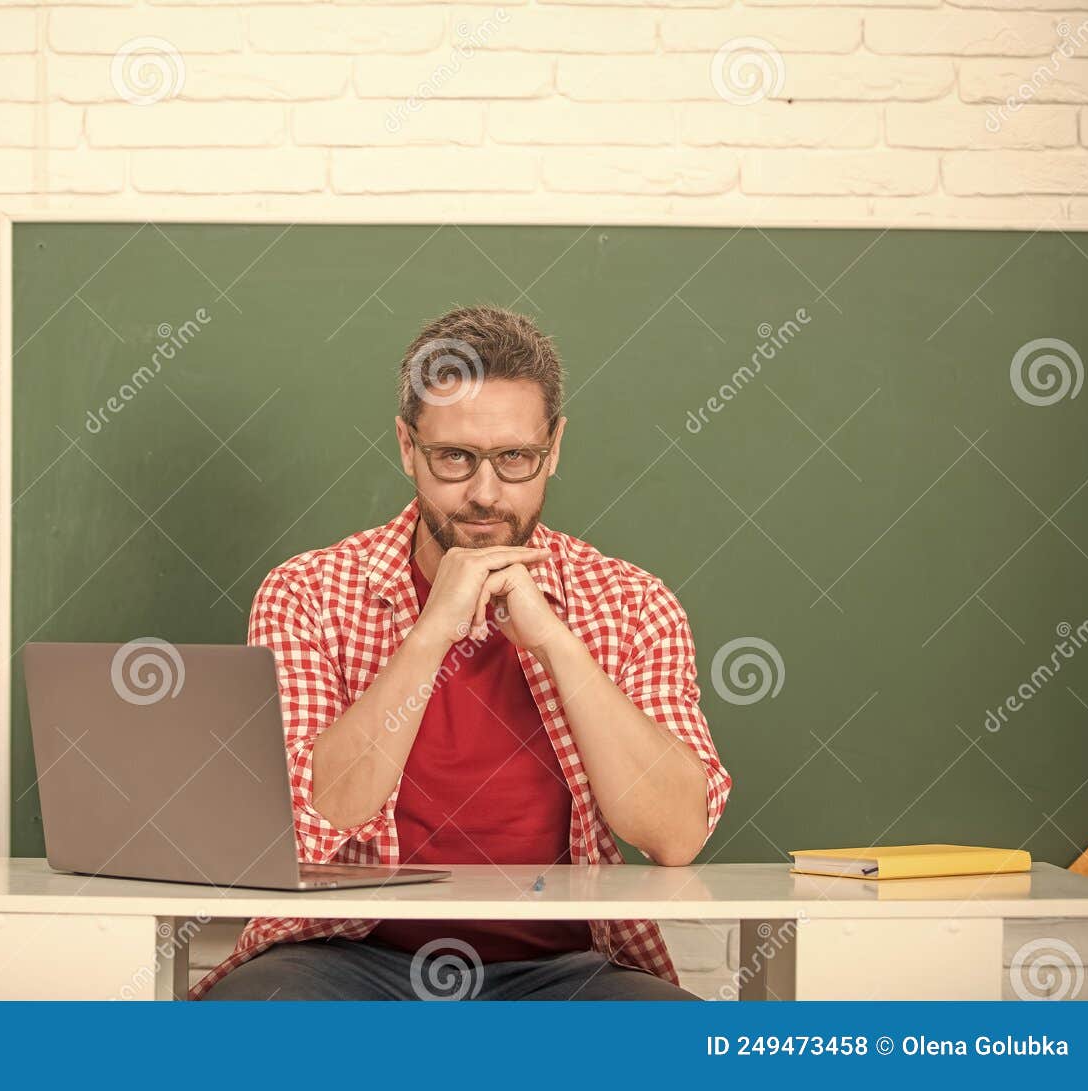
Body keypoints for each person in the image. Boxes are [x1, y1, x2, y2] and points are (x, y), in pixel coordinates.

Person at [196, 305, 731, 1001]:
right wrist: (430, 634)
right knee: (242, 1029)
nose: (484, 493)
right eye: (454, 457)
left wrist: (554, 642)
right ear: (406, 447)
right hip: (346, 956)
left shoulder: (633, 603)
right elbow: (314, 818)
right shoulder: (306, 592)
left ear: (555, 448)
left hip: (566, 971)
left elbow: (676, 835)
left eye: (515, 458)